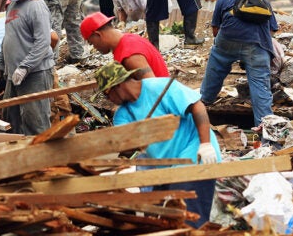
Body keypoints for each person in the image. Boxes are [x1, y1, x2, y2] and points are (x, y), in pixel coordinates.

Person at [93, 61, 221, 227]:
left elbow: (197, 107)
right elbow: (125, 147)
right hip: (166, 168)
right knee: (160, 218)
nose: (108, 99)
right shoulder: (122, 115)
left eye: (106, 94)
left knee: (188, 219)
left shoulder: (160, 87)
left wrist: (205, 144)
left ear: (117, 86)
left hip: (194, 154)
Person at [200, 0, 278, 127]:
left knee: (216, 64)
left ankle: (206, 99)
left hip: (228, 39)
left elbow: (216, 30)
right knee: (260, 86)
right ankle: (264, 134)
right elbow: (272, 30)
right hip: (257, 44)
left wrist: (225, 48)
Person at [0, 0, 54, 135]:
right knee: (11, 119)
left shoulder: (36, 6)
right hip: (14, 73)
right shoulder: (12, 5)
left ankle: (41, 159)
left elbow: (43, 41)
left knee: (35, 121)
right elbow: (9, 36)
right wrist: (1, 62)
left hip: (35, 73)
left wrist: (25, 66)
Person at [80, 12, 169, 78]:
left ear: (98, 35)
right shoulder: (127, 40)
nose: (94, 47)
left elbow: (153, 87)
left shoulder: (129, 54)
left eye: (92, 43)